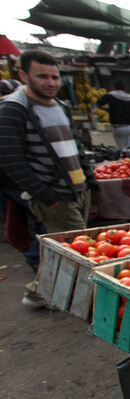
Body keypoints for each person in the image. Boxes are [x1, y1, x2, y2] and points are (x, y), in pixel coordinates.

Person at [0, 50, 100, 307]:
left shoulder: (60, 106)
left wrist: (90, 183)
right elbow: (11, 159)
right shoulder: (14, 108)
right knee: (79, 249)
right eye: (42, 76)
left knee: (67, 247)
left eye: (54, 77)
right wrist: (46, 196)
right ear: (23, 75)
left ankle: (39, 292)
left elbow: (76, 149)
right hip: (54, 193)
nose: (50, 82)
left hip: (77, 189)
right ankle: (73, 299)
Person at [96, 81, 130, 151]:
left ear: (113, 87)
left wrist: (108, 110)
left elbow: (98, 104)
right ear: (124, 88)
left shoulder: (110, 96)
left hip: (118, 128)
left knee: (123, 150)